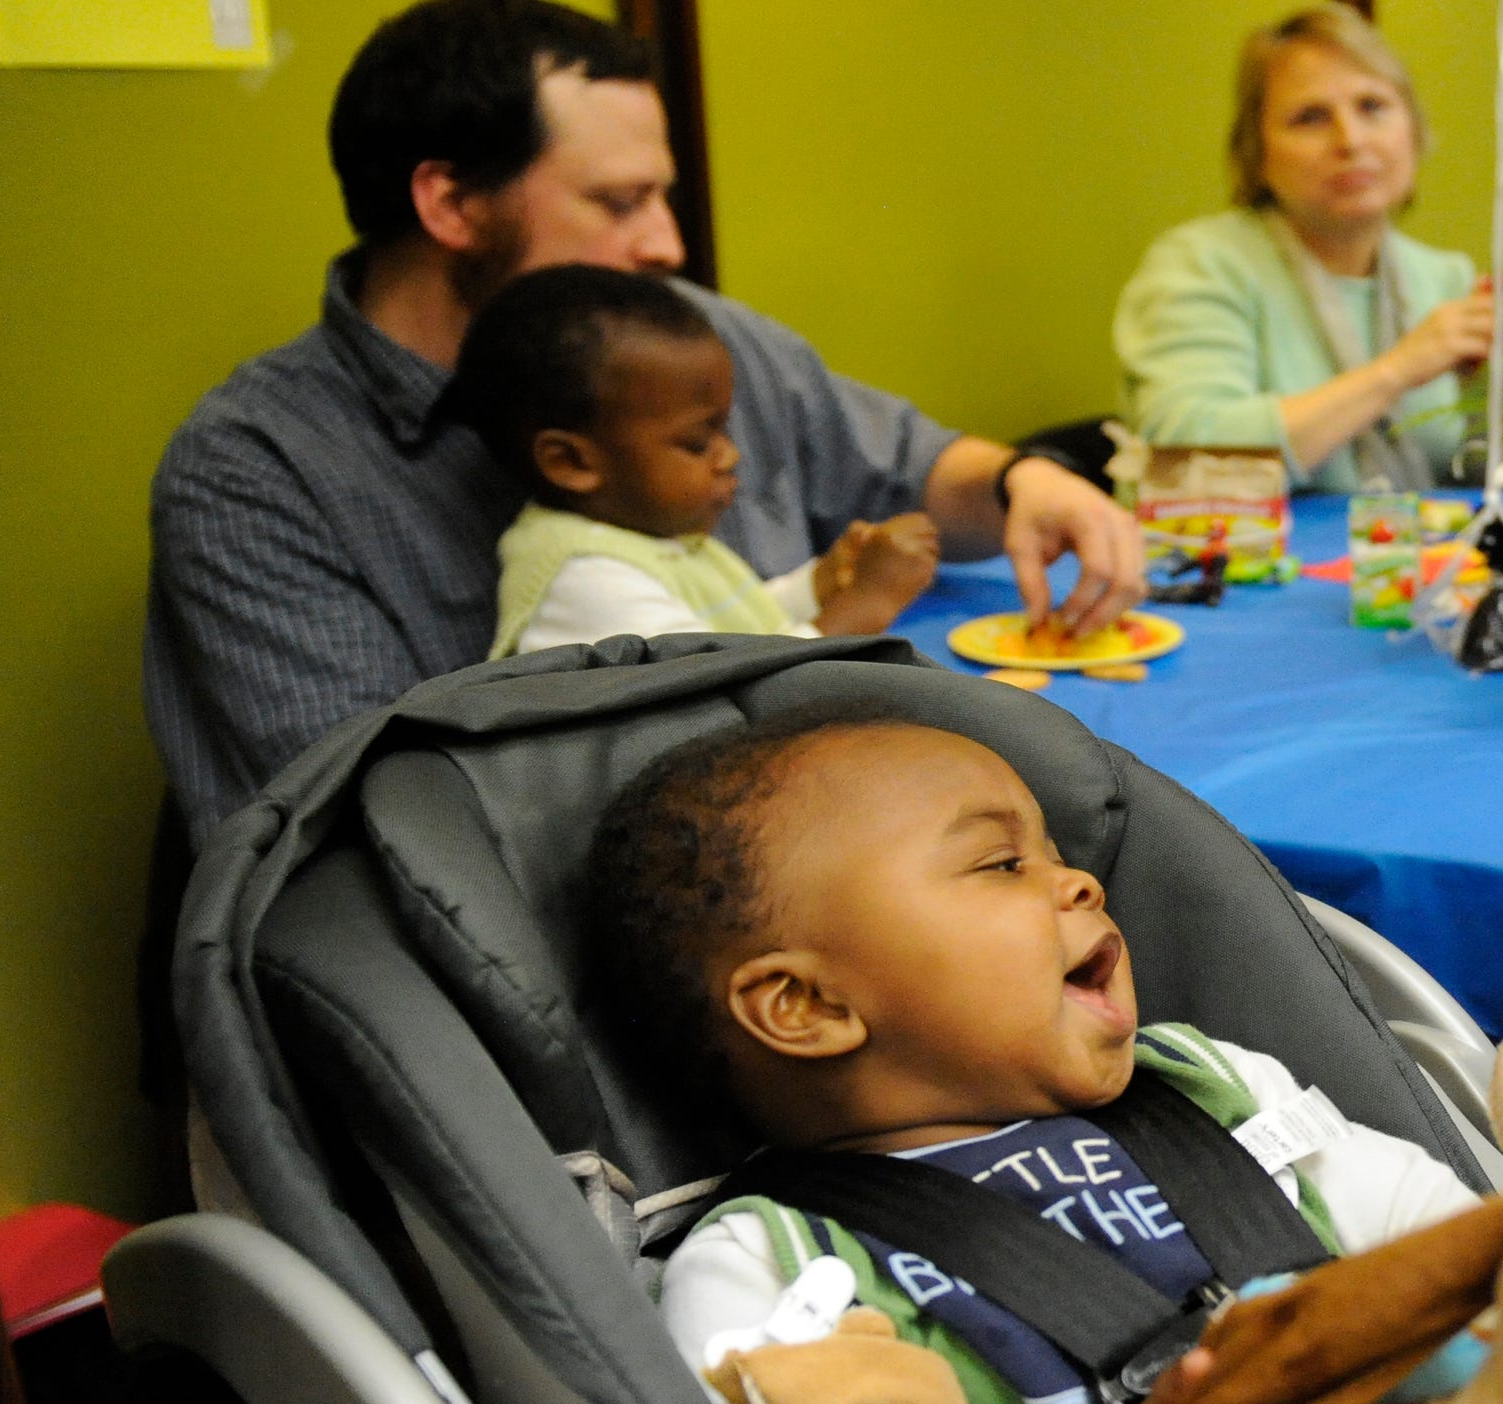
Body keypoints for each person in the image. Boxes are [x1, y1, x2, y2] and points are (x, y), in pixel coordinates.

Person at [145, 0, 1143, 844]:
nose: (666, 243)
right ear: (452, 203)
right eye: (620, 201)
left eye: (662, 196)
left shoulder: (686, 338)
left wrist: (1023, 482)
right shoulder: (259, 469)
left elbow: (912, 469)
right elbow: (378, 832)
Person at [612, 711, 1478, 1404]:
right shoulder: (772, 1266)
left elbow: (1449, 1238)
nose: (1081, 883)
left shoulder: (1211, 1087)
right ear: (808, 1006)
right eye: (999, 865)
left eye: (1059, 855)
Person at [444, 265, 941, 657]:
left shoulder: (654, 539)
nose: (731, 455)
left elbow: (737, 628)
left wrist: (820, 585)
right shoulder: (585, 580)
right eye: (698, 443)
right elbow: (734, 695)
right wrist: (867, 604)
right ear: (571, 462)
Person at [1113, 5, 1498, 494]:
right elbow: (1185, 468)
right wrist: (1397, 370)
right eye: (1310, 118)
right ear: (1257, 152)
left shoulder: (1445, 278)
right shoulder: (1198, 266)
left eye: (1372, 106)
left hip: (1412, 543)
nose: (1350, 140)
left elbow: (1478, 474)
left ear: (1414, 130)